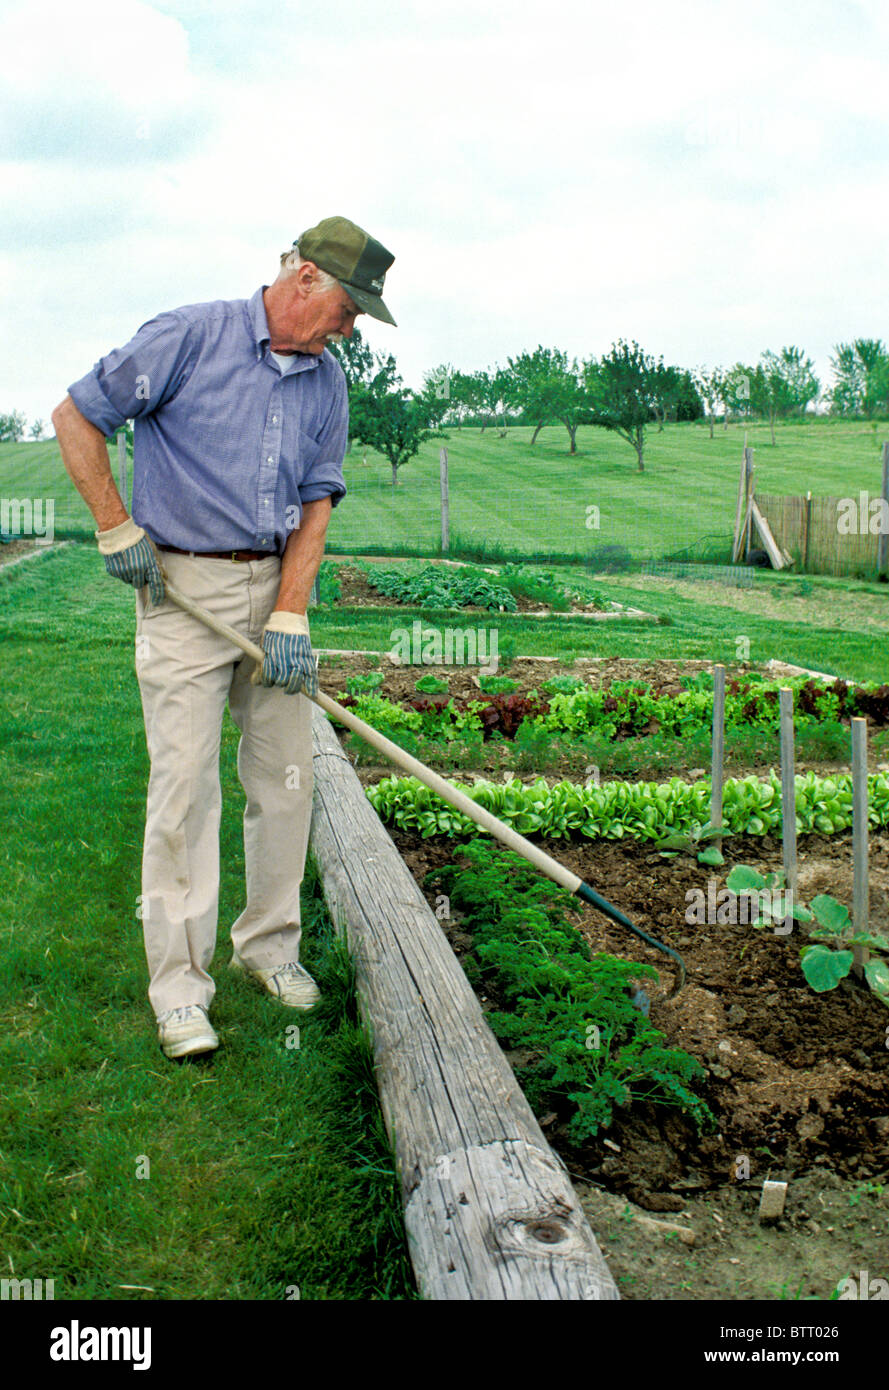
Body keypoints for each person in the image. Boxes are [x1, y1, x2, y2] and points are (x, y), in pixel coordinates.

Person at [51, 216, 396, 1060]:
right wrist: (113, 526)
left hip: (273, 590)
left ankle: (270, 949)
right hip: (182, 591)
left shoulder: (328, 381)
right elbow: (75, 414)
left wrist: (292, 609)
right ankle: (178, 990)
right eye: (350, 310)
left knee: (285, 781)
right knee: (184, 789)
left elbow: (317, 500)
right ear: (306, 279)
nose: (351, 330)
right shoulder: (188, 336)